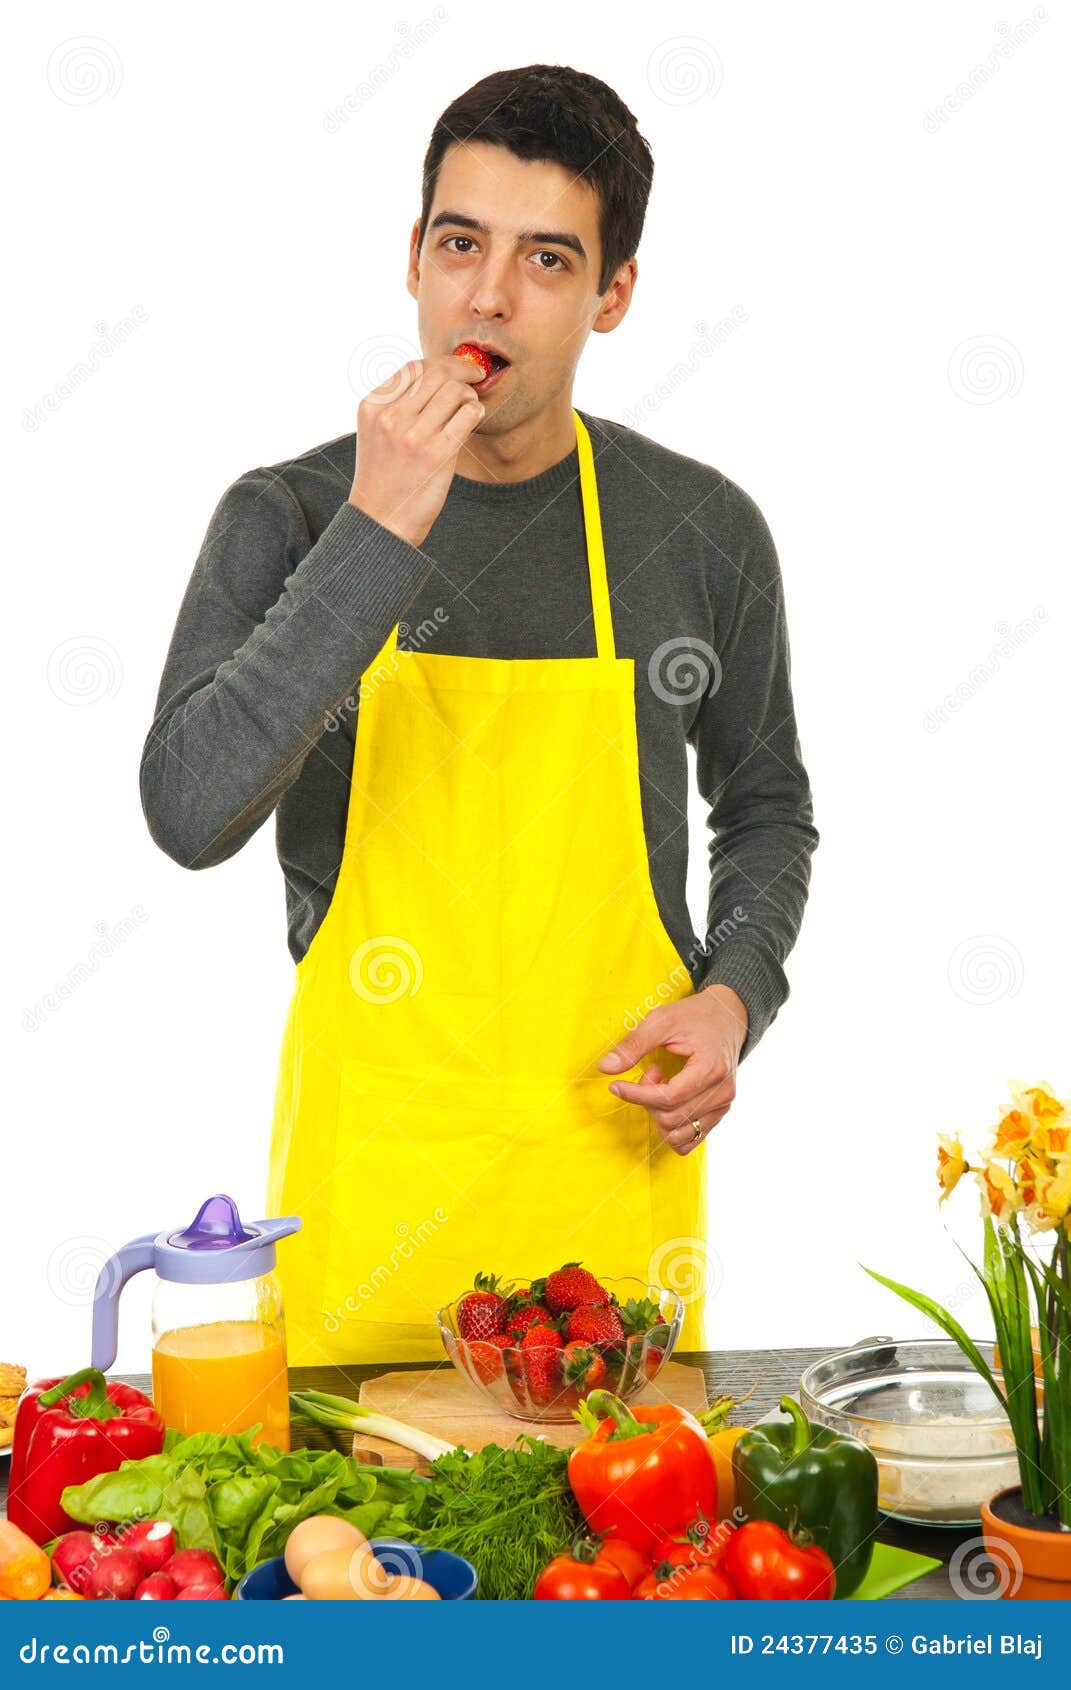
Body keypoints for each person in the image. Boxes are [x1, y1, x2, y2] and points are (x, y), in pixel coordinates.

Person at [140, 64, 819, 1365]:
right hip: (366, 1214)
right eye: (461, 244)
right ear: (413, 258)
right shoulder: (288, 516)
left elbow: (768, 807)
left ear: (613, 294)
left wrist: (734, 994)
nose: (489, 296)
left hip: (612, 1223)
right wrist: (378, 529)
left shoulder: (699, 529)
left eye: (548, 260)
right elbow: (187, 809)